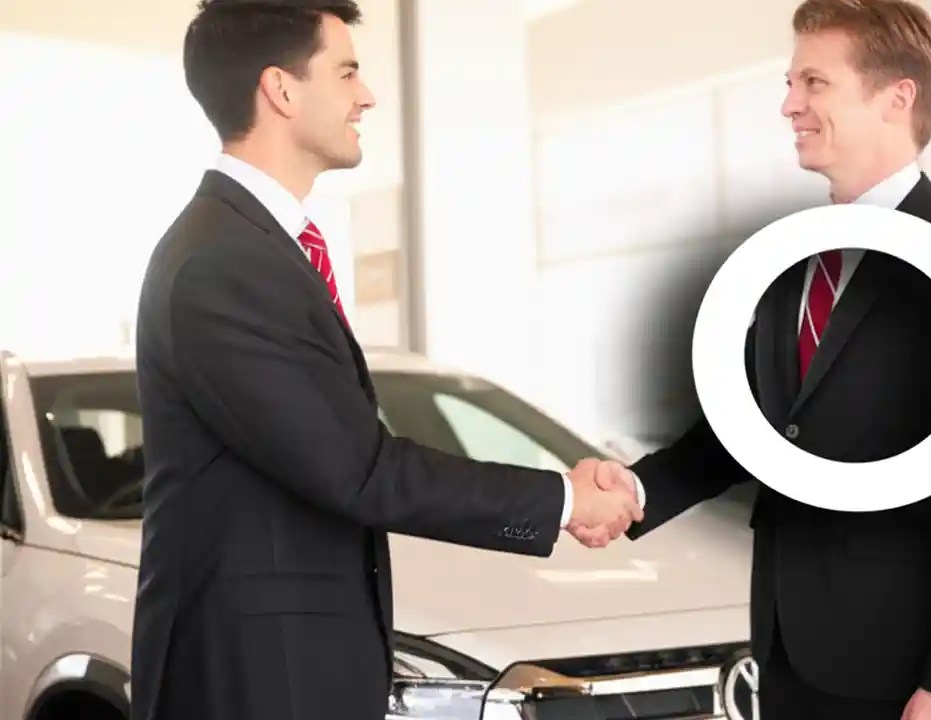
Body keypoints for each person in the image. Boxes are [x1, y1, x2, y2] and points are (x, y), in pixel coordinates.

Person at [130, 2, 640, 720]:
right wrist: (563, 499)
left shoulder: (255, 248)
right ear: (281, 90)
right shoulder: (223, 262)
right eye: (346, 72)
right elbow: (359, 469)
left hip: (292, 668)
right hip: (254, 677)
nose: (366, 95)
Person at [570, 1, 931, 718]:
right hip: (787, 656)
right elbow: (751, 434)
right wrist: (636, 493)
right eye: (790, 83)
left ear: (897, 97)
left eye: (813, 83)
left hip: (911, 676)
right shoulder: (789, 263)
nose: (789, 105)